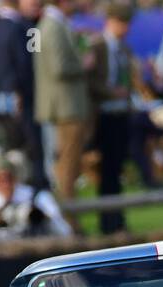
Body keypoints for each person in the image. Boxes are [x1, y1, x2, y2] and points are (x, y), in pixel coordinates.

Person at [34, 0, 93, 210]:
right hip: (65, 107)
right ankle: (68, 218)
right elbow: (59, 67)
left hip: (67, 107)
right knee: (67, 167)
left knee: (69, 166)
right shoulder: (52, 26)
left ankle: (69, 217)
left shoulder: (55, 24)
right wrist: (83, 64)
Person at [0, 0, 41, 181]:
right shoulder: (23, 27)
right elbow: (29, 64)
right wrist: (17, 91)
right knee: (29, 149)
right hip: (23, 98)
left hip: (2, 98)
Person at [89, 3, 136, 234]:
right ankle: (108, 222)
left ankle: (117, 219)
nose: (125, 28)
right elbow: (90, 82)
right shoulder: (97, 46)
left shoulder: (124, 49)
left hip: (121, 114)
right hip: (104, 116)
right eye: (122, 22)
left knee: (117, 169)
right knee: (107, 170)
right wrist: (112, 92)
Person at [0, 157, 71, 246]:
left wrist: (45, 219)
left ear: (16, 177)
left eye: (8, 178)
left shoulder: (38, 197)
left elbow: (66, 232)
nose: (5, 184)